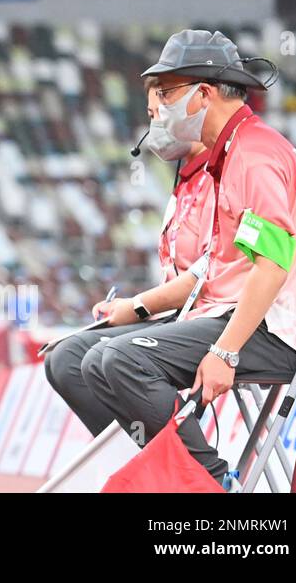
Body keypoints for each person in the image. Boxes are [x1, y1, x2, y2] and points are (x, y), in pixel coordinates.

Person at [80, 29, 296, 481]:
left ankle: (211, 483)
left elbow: (273, 266)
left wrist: (225, 353)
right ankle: (170, 476)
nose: (157, 106)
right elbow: (216, 266)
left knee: (120, 360)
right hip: (244, 315)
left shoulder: (253, 155)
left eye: (169, 91)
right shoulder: (231, 153)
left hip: (279, 331)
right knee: (96, 360)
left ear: (203, 94)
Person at [44, 77, 212, 435]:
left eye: (159, 113)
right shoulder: (183, 181)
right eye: (151, 116)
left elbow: (207, 275)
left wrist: (138, 306)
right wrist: (134, 306)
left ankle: (187, 465)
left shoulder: (221, 173)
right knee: (64, 359)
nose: (154, 127)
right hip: (183, 317)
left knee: (109, 358)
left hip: (216, 319)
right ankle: (141, 463)